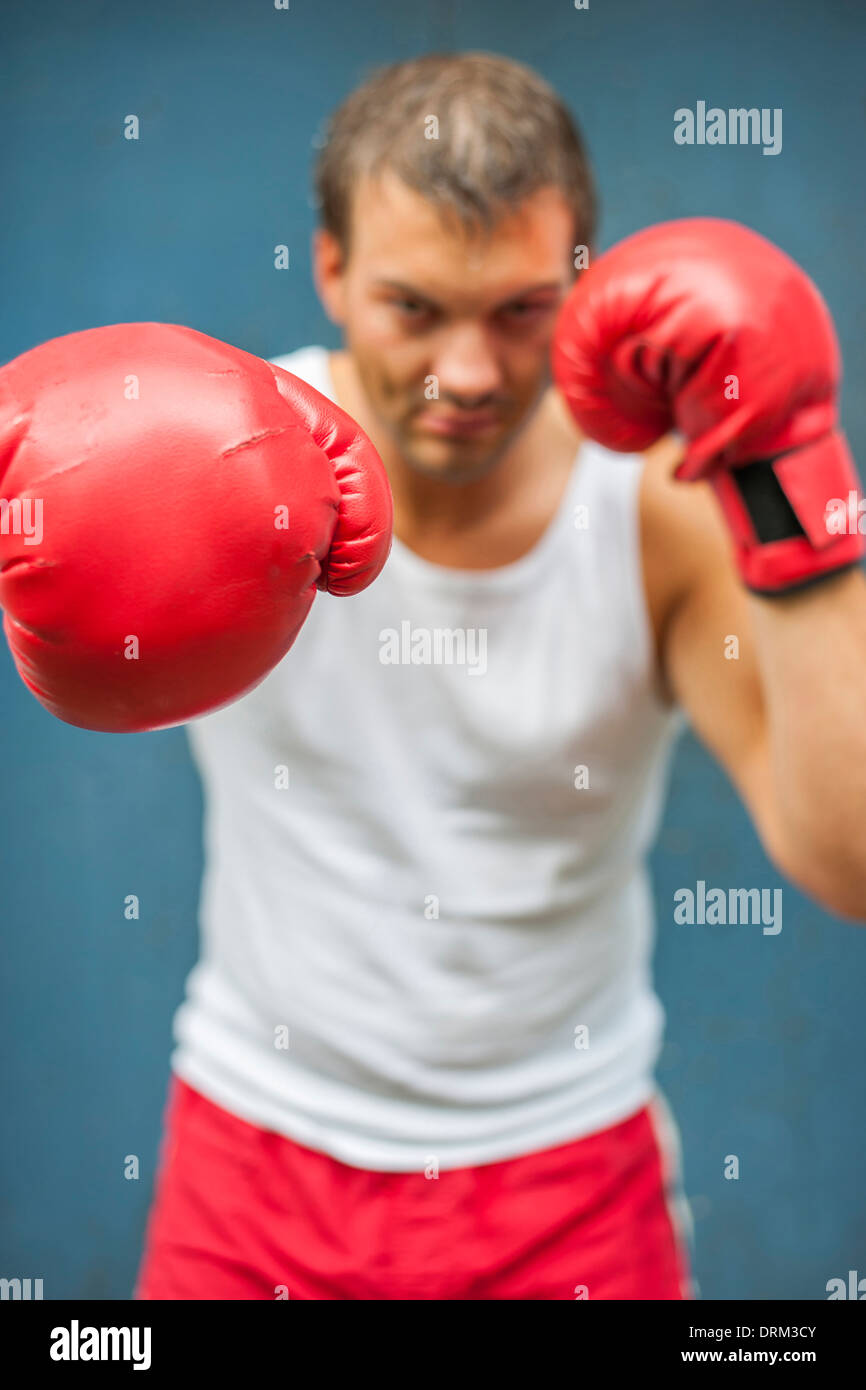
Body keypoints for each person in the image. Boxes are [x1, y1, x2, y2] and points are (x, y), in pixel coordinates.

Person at [5, 51, 864, 1301]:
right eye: (415, 307)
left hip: (564, 1172)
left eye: (519, 310)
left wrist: (796, 481)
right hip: (254, 1148)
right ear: (333, 270)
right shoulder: (215, 447)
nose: (465, 374)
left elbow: (844, 858)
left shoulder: (656, 509)